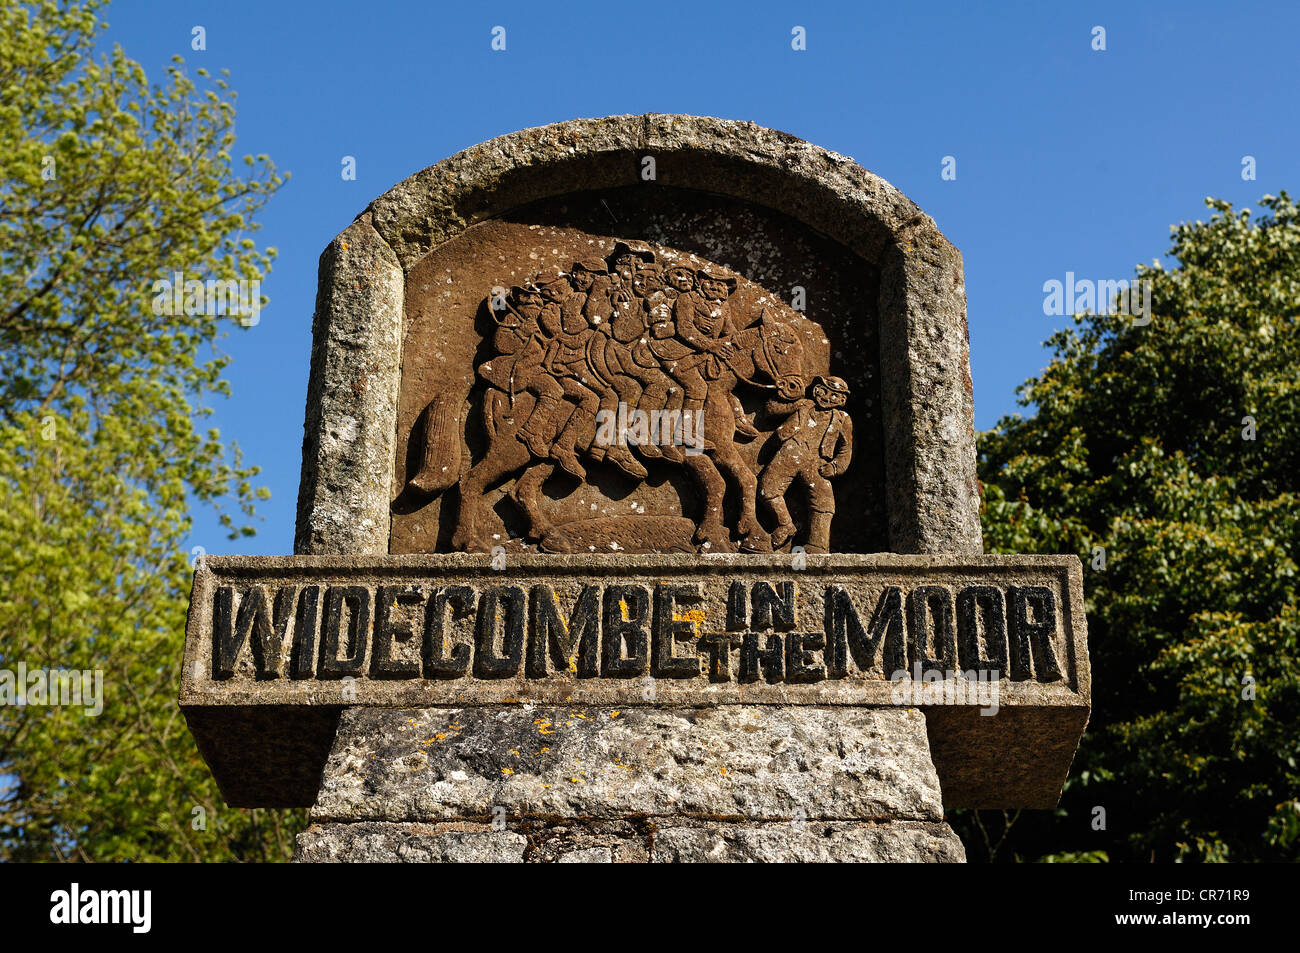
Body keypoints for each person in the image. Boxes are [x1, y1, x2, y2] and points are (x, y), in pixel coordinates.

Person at [759, 376, 853, 553]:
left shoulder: (842, 419)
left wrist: (834, 467)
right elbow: (772, 410)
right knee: (768, 489)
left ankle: (818, 544)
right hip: (790, 450)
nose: (826, 397)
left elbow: (845, 450)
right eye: (823, 391)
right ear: (816, 390)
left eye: (834, 395)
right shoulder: (804, 405)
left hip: (817, 462)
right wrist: (784, 392)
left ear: (842, 400)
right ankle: (785, 524)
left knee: (823, 503)